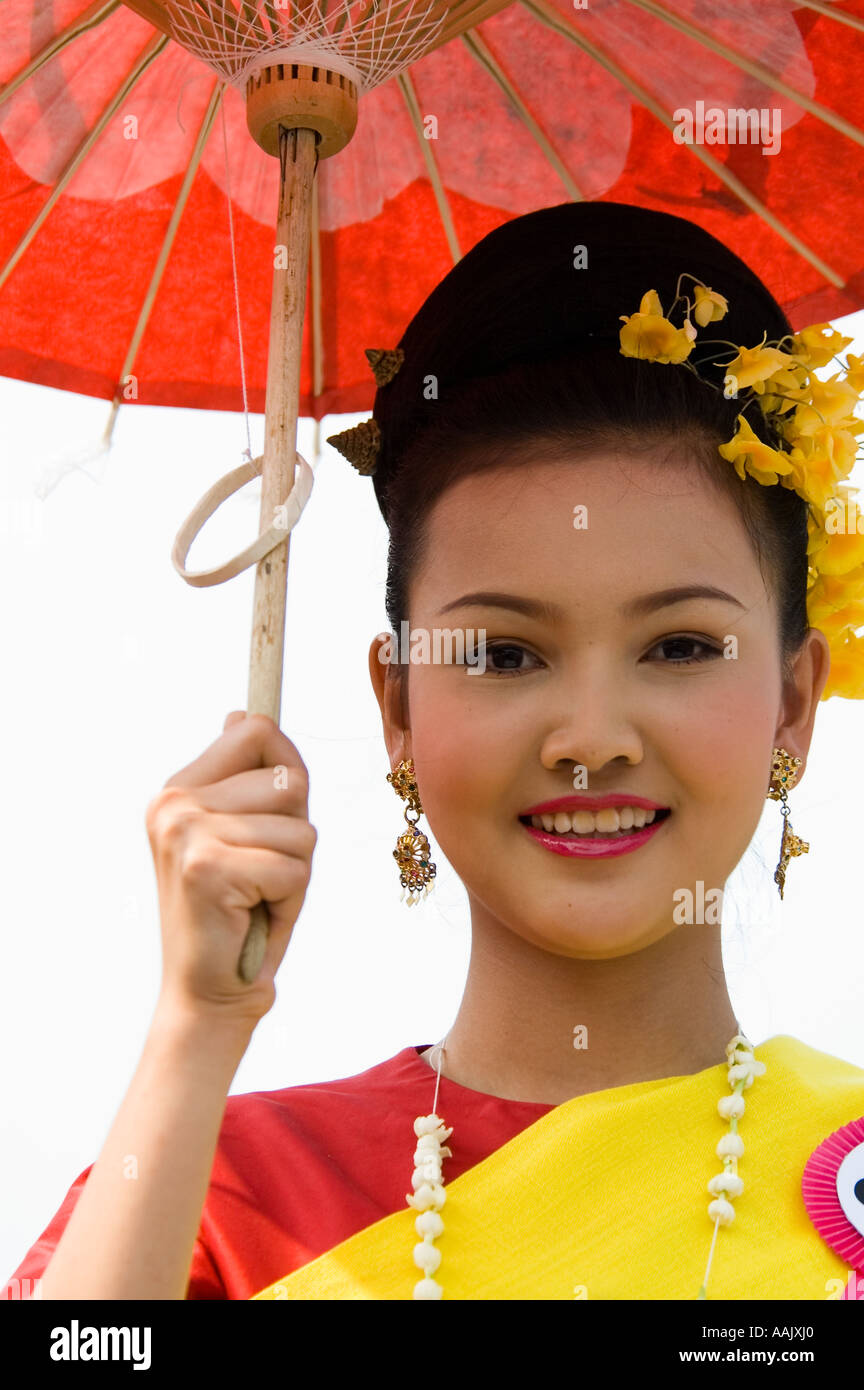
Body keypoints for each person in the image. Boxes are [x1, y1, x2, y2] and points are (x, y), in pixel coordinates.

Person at [4, 200, 864, 1302]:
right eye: (506, 654)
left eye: (681, 644)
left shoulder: (837, 1168)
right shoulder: (222, 1206)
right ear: (397, 706)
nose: (591, 738)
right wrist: (197, 1029)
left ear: (793, 700)